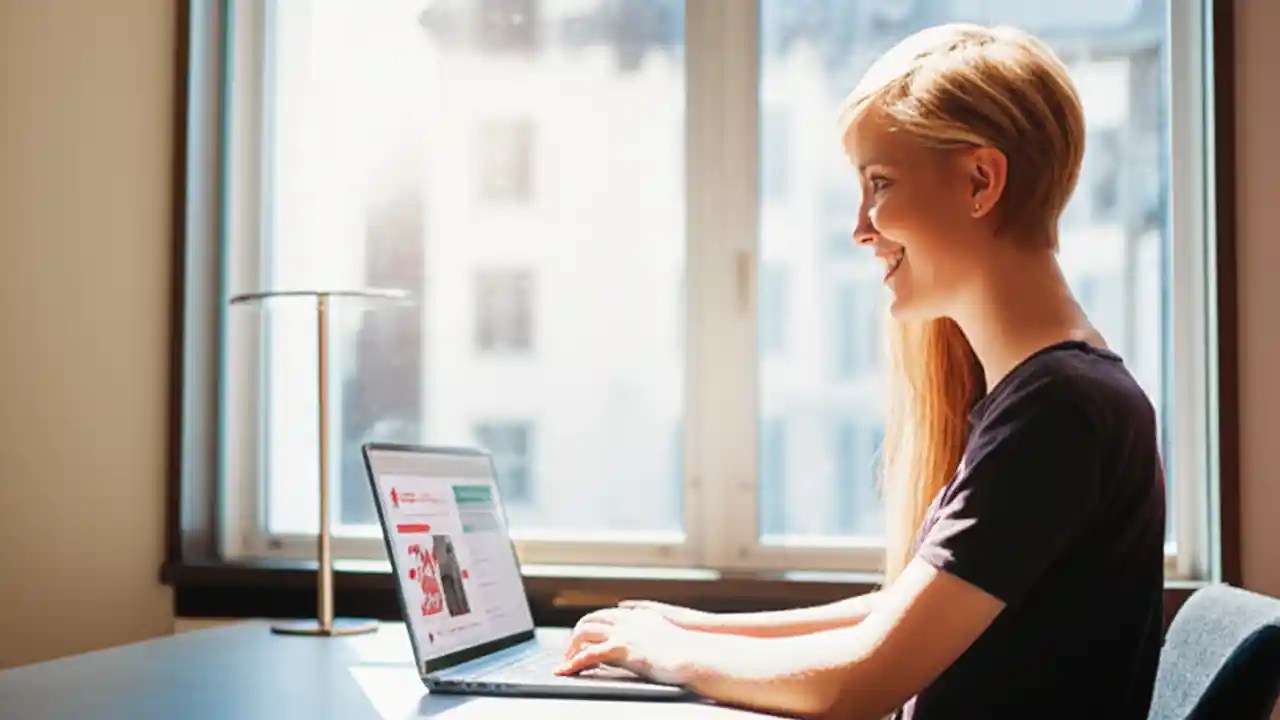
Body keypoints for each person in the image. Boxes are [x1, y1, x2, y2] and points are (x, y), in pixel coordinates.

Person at [556, 23, 1166, 720]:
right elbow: (894, 618)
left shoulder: (1062, 410)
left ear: (980, 180)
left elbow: (855, 683)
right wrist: (689, 628)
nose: (860, 227)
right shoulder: (1043, 396)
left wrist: (665, 655)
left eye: (879, 183)